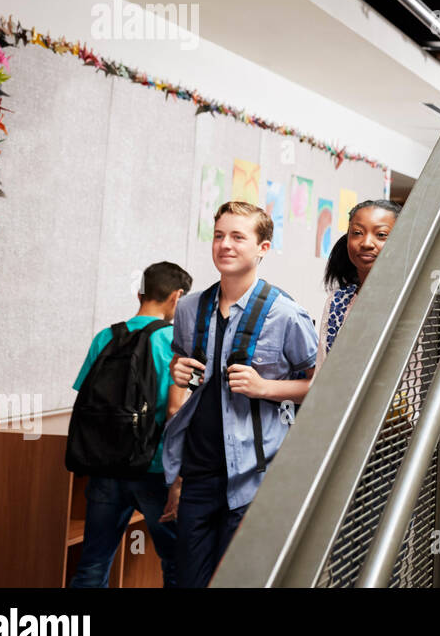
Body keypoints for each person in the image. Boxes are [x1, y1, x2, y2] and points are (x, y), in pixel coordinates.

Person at [164, 201, 319, 587]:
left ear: (262, 248)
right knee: (188, 581)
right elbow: (183, 366)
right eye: (219, 236)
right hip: (198, 472)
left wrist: (266, 387)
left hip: (256, 474)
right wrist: (176, 371)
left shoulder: (286, 313)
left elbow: (321, 386)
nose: (225, 245)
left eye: (237, 237)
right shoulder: (187, 308)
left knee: (241, 581)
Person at [67, 261, 192, 588]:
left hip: (105, 467)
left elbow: (85, 396)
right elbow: (176, 411)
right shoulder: (174, 341)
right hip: (154, 468)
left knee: (92, 565)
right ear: (176, 297)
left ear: (141, 292)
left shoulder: (105, 336)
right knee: (177, 565)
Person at [317, 199, 402, 369]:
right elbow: (323, 371)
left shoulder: (409, 298)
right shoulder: (338, 302)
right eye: (357, 232)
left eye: (381, 235)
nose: (366, 243)